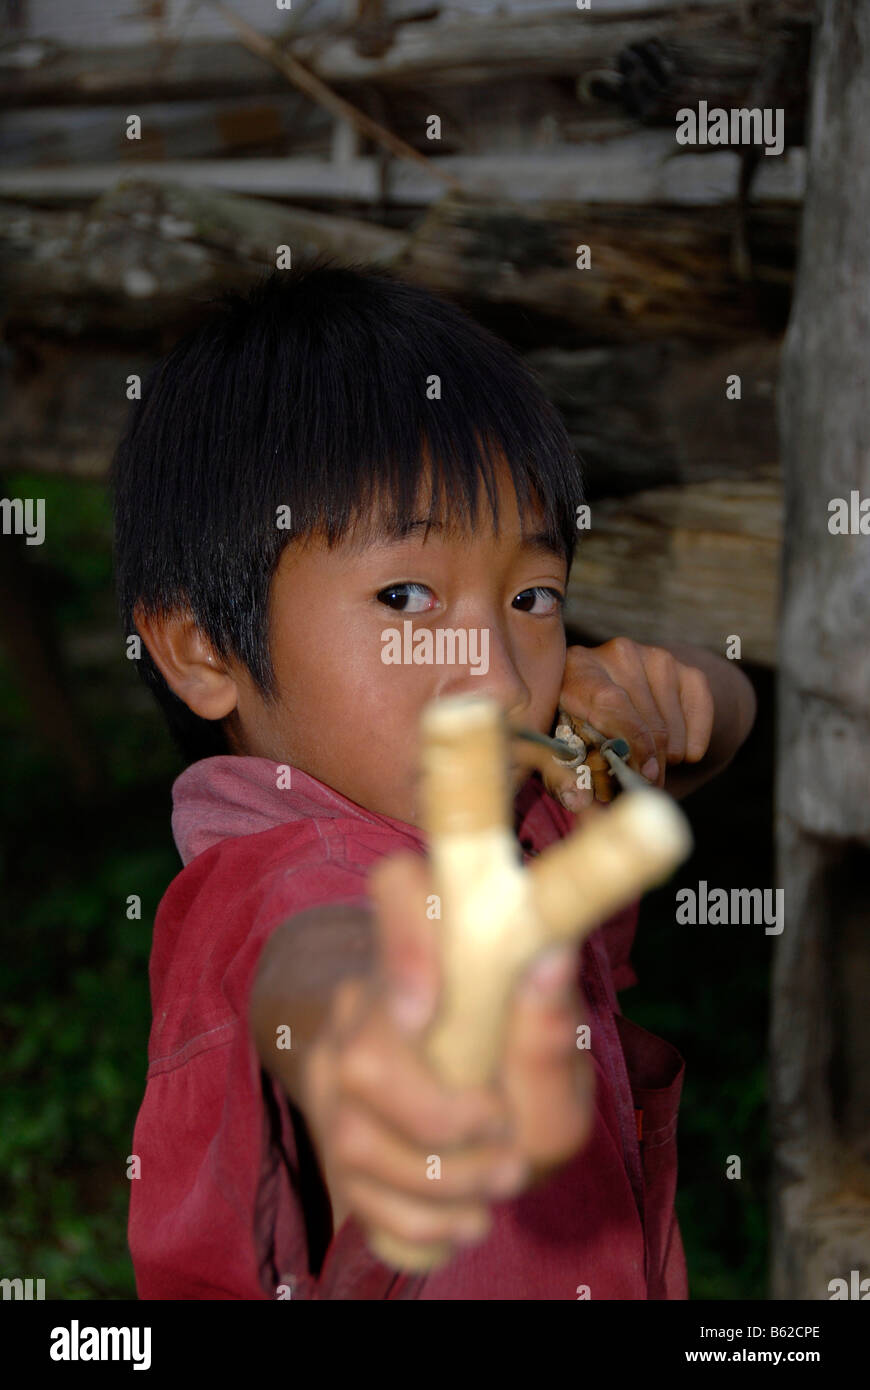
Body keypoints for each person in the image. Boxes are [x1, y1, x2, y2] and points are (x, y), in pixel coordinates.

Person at [111, 263, 756, 1299]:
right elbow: (313, 962)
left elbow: (720, 728)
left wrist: (682, 695)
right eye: (406, 595)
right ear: (201, 650)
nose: (498, 675)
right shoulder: (276, 885)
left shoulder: (511, 822)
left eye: (534, 596)